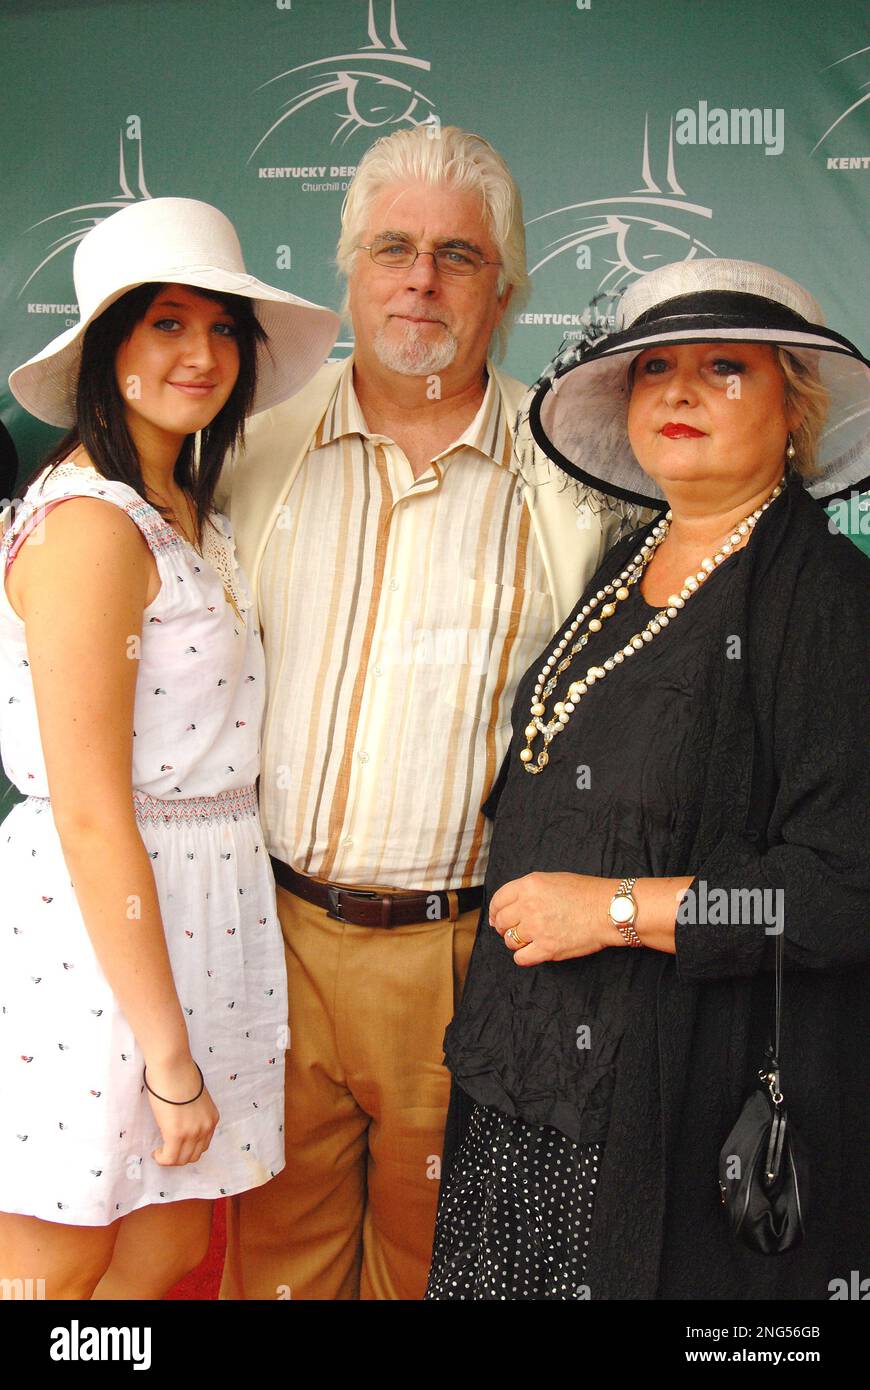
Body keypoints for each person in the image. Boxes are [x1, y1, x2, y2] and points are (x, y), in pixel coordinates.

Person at [216, 126, 626, 1301]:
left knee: (440, 1273)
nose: (420, 279)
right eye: (393, 247)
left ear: (506, 288)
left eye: (458, 254)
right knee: (274, 1273)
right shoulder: (247, 444)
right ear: (347, 269)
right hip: (271, 941)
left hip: (463, 960)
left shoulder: (577, 476)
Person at [425, 257, 870, 1301]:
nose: (677, 390)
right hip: (533, 1086)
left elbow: (841, 888)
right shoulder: (626, 566)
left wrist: (617, 909)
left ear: (792, 410)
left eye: (725, 369)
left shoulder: (829, 603)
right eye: (654, 366)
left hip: (673, 1110)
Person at [0, 197, 338, 1299]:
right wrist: (168, 1053)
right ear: (108, 347)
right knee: (60, 1259)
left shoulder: (189, 504)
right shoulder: (90, 523)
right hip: (105, 942)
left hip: (209, 913)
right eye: (166, 325)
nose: (203, 354)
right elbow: (94, 809)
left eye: (223, 327)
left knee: (163, 1248)